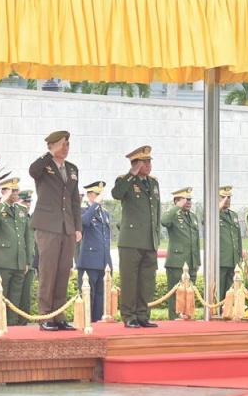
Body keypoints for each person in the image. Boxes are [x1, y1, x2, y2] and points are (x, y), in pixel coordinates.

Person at [28, 131, 82, 331]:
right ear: (51, 145)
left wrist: (77, 227)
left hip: (67, 227)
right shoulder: (44, 166)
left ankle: (59, 316)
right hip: (48, 226)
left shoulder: (72, 168)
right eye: (62, 144)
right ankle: (45, 316)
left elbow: (75, 200)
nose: (66, 148)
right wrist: (50, 154)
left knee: (63, 273)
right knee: (48, 272)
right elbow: (33, 171)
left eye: (68, 144)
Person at [112, 145, 161, 329]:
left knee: (146, 281)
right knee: (130, 281)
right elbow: (117, 194)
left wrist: (156, 237)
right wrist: (131, 173)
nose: (148, 165)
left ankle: (142, 314)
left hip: (149, 240)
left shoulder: (153, 183)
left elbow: (155, 212)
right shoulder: (125, 180)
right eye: (144, 162)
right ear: (135, 164)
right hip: (131, 240)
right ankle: (129, 316)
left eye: (149, 161)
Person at [0, 178, 32, 326]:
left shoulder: (22, 210)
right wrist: (2, 202)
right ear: (5, 191)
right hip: (3, 260)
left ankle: (12, 323)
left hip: (19, 260)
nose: (16, 193)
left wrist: (27, 262)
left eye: (16, 190)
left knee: (15, 296)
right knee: (1, 294)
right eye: (13, 190)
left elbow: (27, 238)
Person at [162, 187, 201, 320]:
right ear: (177, 201)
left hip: (191, 262)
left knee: (189, 294)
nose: (188, 202)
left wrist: (197, 262)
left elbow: (195, 241)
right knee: (175, 295)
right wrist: (177, 207)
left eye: (190, 200)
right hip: (177, 261)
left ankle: (187, 317)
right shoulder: (173, 214)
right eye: (185, 200)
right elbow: (164, 221)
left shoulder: (193, 217)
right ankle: (174, 320)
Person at [77, 181, 112, 322]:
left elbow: (106, 237)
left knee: (100, 295)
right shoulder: (83, 210)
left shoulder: (104, 213)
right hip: (89, 260)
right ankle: (86, 322)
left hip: (103, 260)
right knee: (88, 294)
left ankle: (97, 321)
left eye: (101, 194)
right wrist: (95, 204)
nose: (100, 197)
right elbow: (83, 223)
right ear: (89, 195)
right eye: (97, 194)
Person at [219, 186, 243, 299]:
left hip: (233, 259)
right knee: (219, 290)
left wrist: (239, 258)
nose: (227, 199)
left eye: (228, 197)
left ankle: (228, 313)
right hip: (220, 259)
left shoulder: (233, 215)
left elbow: (238, 237)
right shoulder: (213, 213)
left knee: (231, 290)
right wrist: (217, 208)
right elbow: (205, 221)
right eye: (223, 197)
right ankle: (217, 313)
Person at [17, 189, 36, 325]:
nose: (27, 205)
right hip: (20, 263)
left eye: (29, 202)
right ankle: (15, 323)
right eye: (25, 201)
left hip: (30, 263)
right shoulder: (18, 218)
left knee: (26, 298)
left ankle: (23, 324)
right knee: (15, 296)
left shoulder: (29, 218)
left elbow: (32, 243)